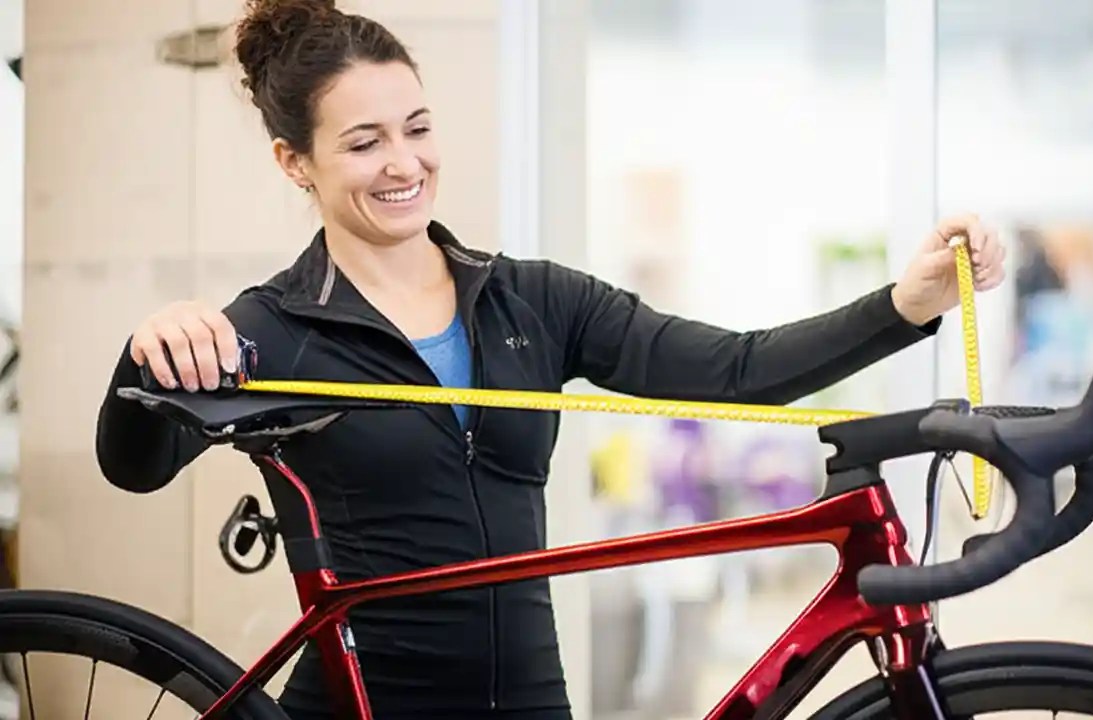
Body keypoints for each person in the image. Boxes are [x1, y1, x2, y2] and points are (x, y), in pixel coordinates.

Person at [94, 1, 1007, 718]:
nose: (403, 162)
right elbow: (133, 466)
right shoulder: (275, 328)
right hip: (364, 704)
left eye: (417, 127)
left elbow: (739, 370)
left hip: (533, 699)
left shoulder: (534, 301)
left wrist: (909, 304)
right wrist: (150, 351)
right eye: (365, 142)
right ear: (297, 163)